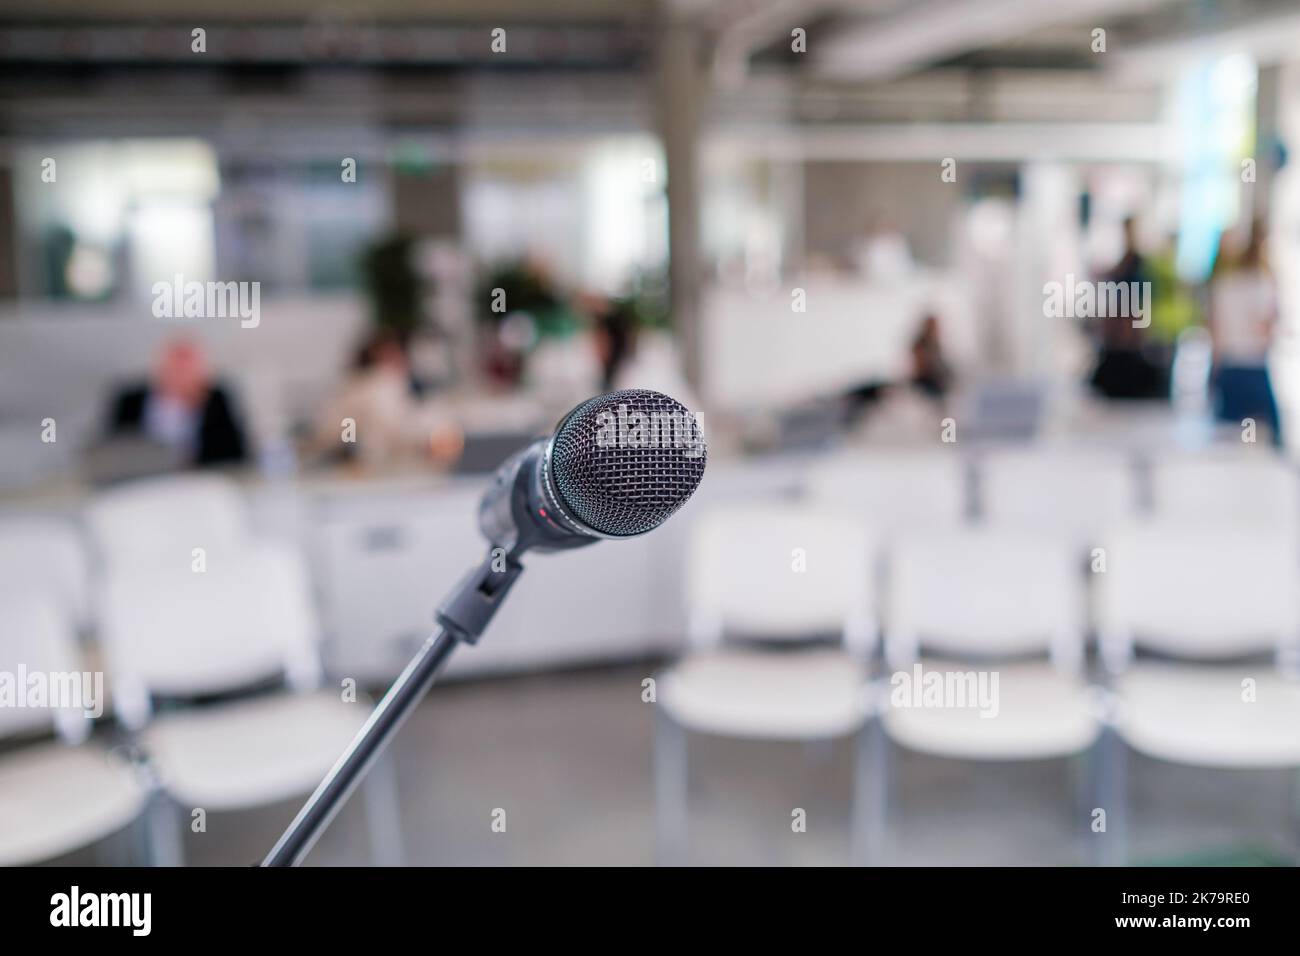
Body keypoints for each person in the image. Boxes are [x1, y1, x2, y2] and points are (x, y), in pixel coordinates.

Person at [314, 329, 462, 468]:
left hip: (407, 475)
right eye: (387, 355)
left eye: (395, 354)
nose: (395, 361)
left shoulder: (418, 393)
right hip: (377, 475)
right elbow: (343, 428)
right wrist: (351, 445)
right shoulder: (371, 389)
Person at [107, 337, 248, 467]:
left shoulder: (216, 401)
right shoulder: (131, 400)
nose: (181, 374)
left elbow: (236, 454)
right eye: (176, 367)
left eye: (187, 369)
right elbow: (110, 448)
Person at [1208, 220, 1281, 445]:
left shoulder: (1224, 285)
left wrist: (1214, 367)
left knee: (1226, 438)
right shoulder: (1262, 284)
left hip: (1230, 363)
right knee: (1272, 436)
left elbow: (1215, 329)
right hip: (1254, 365)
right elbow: (1265, 325)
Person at [1087, 216, 1166, 400]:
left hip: (1132, 309)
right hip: (1123, 309)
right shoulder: (1127, 260)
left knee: (1131, 349)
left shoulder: (1137, 261)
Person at [910, 314, 953, 399]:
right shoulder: (920, 344)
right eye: (933, 325)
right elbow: (920, 367)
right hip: (924, 384)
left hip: (936, 383)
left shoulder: (935, 344)